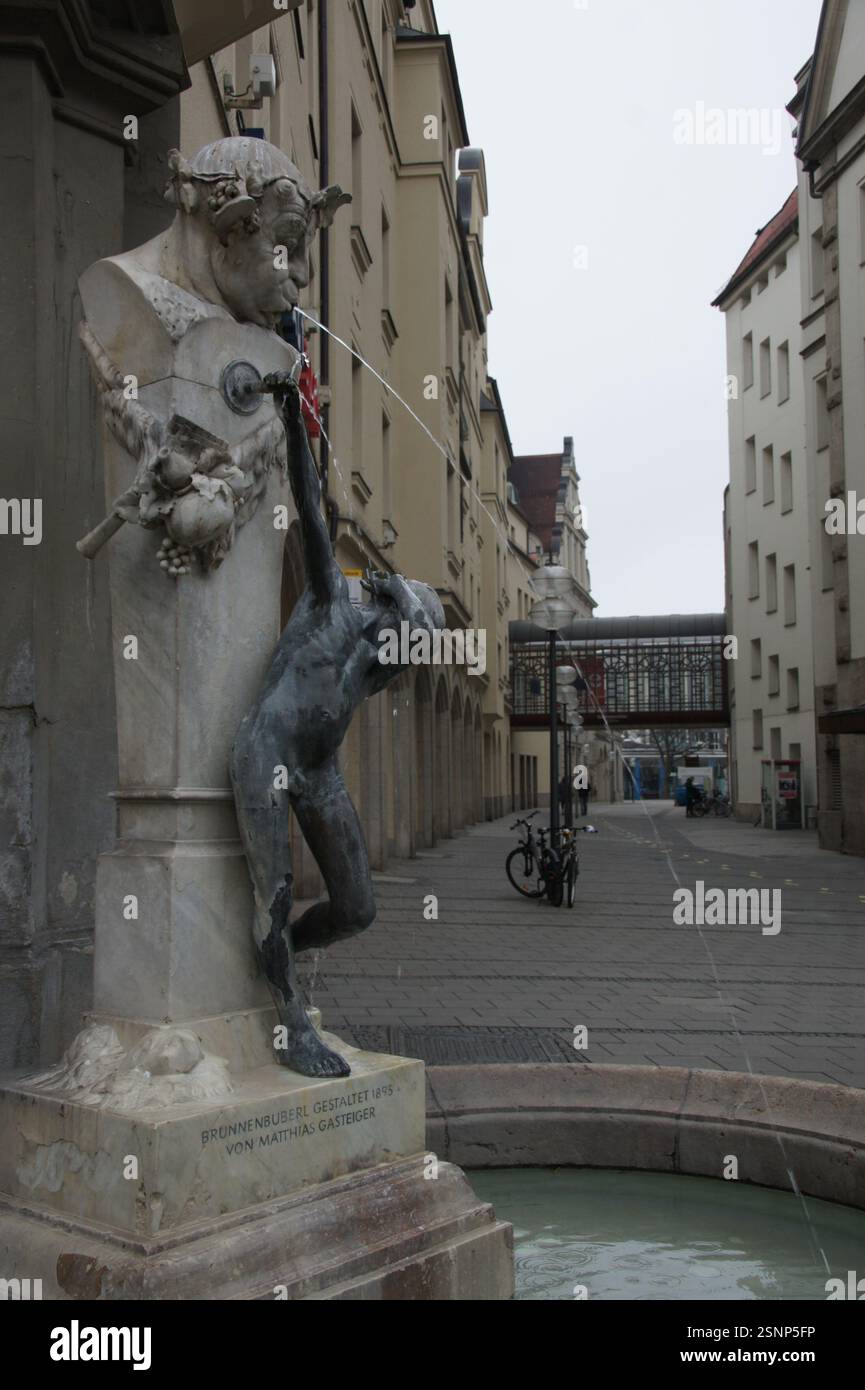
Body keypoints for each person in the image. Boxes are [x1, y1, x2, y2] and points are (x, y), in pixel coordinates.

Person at [231, 373, 444, 1078]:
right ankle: (292, 1027)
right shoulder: (332, 603)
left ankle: (279, 951)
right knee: (275, 889)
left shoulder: (383, 663)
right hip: (268, 750)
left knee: (356, 906)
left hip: (318, 773)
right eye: (407, 639)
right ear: (391, 612)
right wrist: (295, 421)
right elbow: (311, 509)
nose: (402, 659)